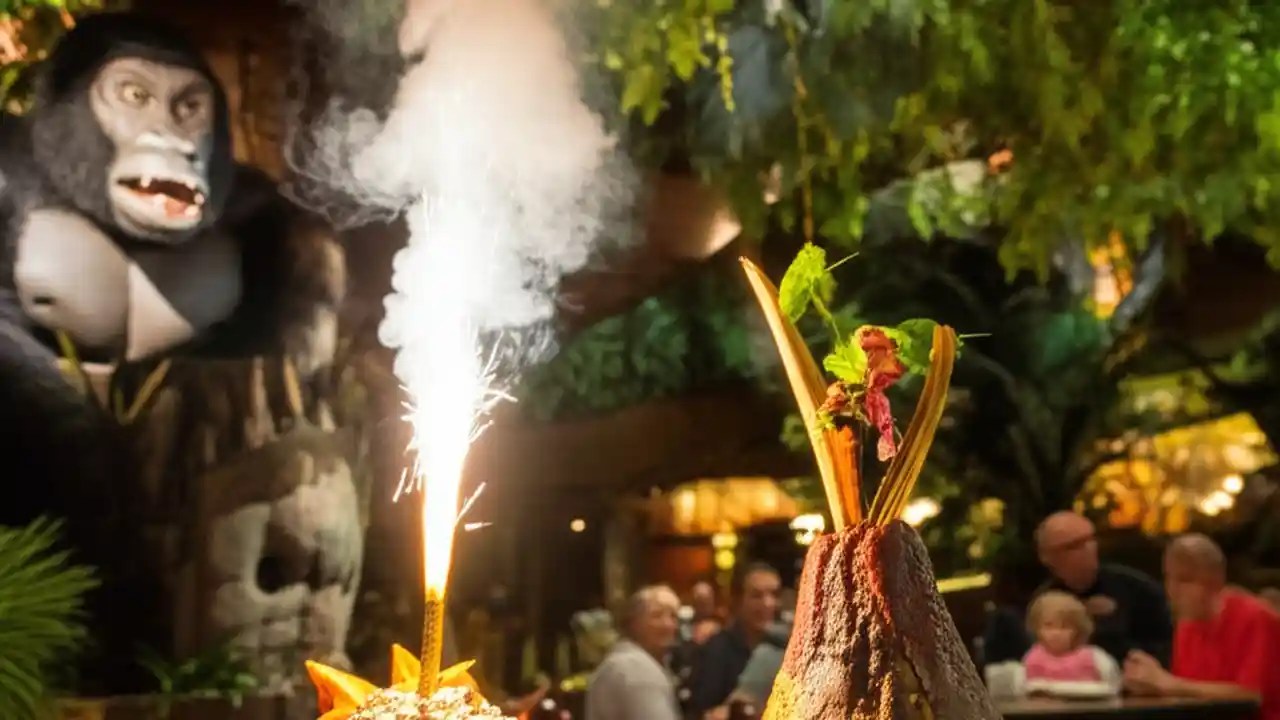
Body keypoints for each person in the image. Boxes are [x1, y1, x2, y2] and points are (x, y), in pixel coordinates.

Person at [1123, 534, 1280, 720]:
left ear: (1215, 581)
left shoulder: (1256, 618)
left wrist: (1167, 683)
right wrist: (1149, 684)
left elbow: (1250, 695)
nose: (1172, 590)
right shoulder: (1186, 625)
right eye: (1169, 578)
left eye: (1185, 580)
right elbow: (1188, 693)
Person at [1035, 511, 1172, 665]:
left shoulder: (1140, 590)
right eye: (1074, 546)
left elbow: (1166, 649)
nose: (1088, 550)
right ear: (1048, 557)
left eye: (1090, 540)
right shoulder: (1044, 601)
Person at [689, 562, 781, 719]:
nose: (768, 603)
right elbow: (701, 712)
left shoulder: (784, 644)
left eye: (774, 594)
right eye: (756, 596)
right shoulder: (716, 650)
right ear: (737, 600)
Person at [585, 584, 682, 720]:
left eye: (673, 616)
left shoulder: (621, 662)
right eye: (657, 615)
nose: (668, 624)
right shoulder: (636, 668)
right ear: (634, 622)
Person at [1021, 591, 1120, 693]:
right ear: (1037, 628)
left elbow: (1113, 688)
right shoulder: (1032, 658)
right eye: (1048, 626)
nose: (1056, 633)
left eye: (1064, 627)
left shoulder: (1095, 658)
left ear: (1078, 629)